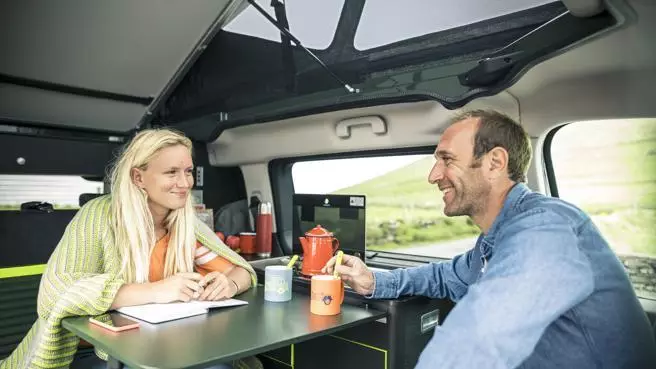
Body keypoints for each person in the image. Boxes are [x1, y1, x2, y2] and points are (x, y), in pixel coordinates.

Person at [323, 110, 656, 369]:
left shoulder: (545, 229)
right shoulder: (492, 241)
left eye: (446, 159)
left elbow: (477, 341)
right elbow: (444, 276)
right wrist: (373, 282)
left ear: (495, 162)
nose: (433, 175)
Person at [0, 128, 262, 369]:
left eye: (189, 171)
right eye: (171, 172)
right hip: (92, 350)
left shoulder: (185, 223)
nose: (184, 183)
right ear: (138, 177)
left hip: (162, 343)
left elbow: (241, 271)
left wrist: (229, 285)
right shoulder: (99, 215)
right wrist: (156, 291)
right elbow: (53, 293)